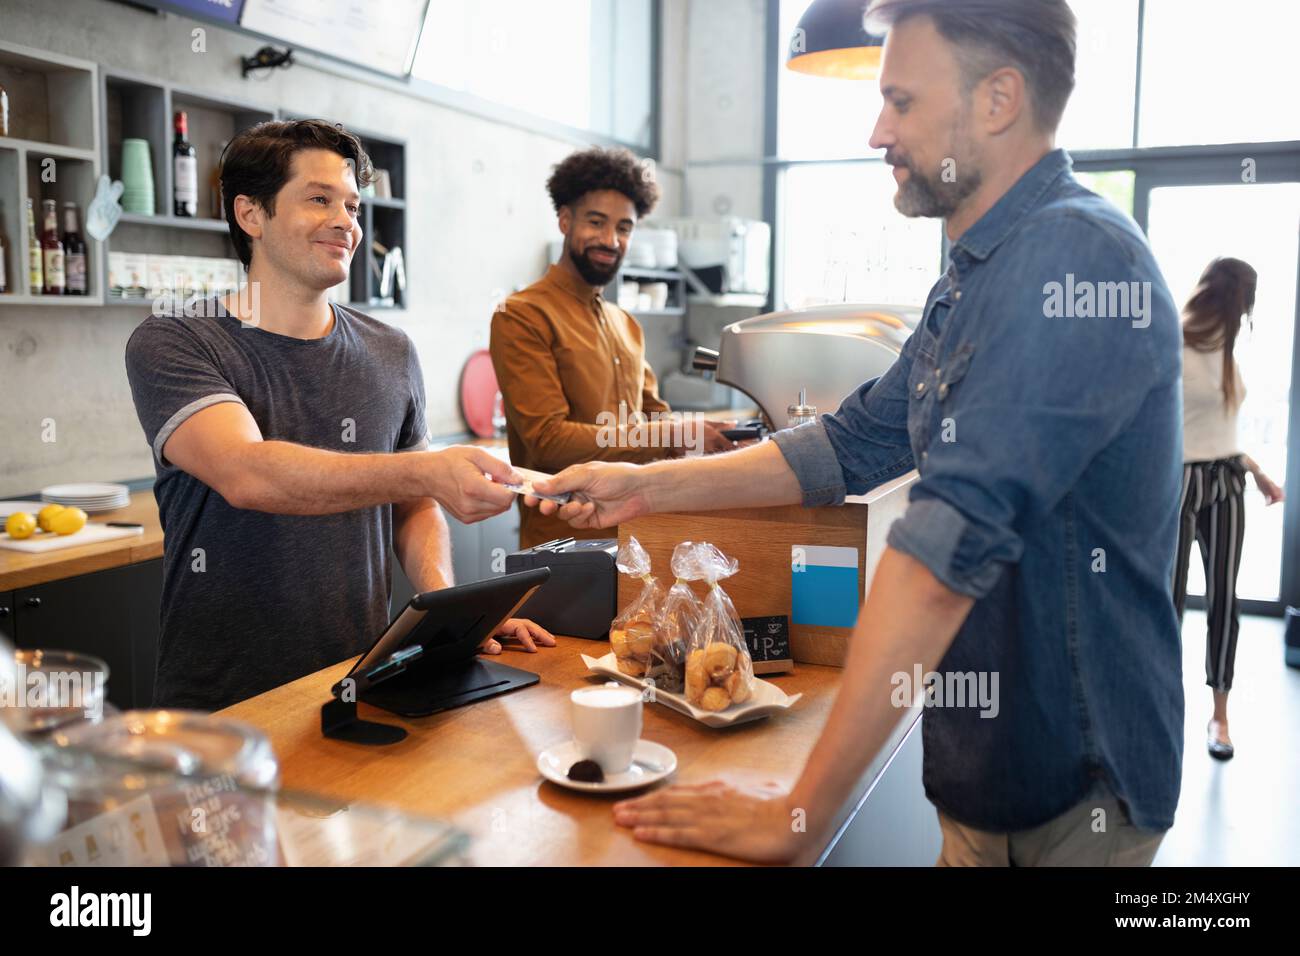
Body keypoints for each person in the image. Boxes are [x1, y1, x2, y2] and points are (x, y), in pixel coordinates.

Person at [527, 0, 1185, 866]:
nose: (878, 131)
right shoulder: (972, 278)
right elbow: (847, 446)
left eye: (902, 101)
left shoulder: (1072, 259)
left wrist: (800, 811)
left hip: (1072, 785)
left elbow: (944, 550)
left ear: (998, 99)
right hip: (982, 774)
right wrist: (639, 486)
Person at [125, 120, 553, 712]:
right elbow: (249, 474)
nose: (346, 222)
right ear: (251, 214)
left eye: (352, 205)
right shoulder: (176, 340)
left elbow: (413, 506)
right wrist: (427, 472)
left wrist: (455, 613)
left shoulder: (391, 349)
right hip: (225, 701)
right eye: (319, 199)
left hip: (359, 679)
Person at [490, 146, 736, 549]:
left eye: (624, 228)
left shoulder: (627, 324)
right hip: (564, 547)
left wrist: (715, 441)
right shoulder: (522, 315)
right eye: (596, 222)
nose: (610, 239)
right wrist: (671, 433)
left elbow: (657, 418)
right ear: (565, 220)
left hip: (639, 538)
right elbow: (548, 440)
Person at [1172, 257, 1285, 761]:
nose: (1244, 315)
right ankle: (1162, 706)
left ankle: (1220, 714)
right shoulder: (1171, 343)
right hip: (1179, 482)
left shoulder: (1228, 350)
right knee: (1168, 601)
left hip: (1227, 481)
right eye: (1242, 304)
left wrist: (1256, 470)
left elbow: (1220, 432)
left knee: (1224, 599)